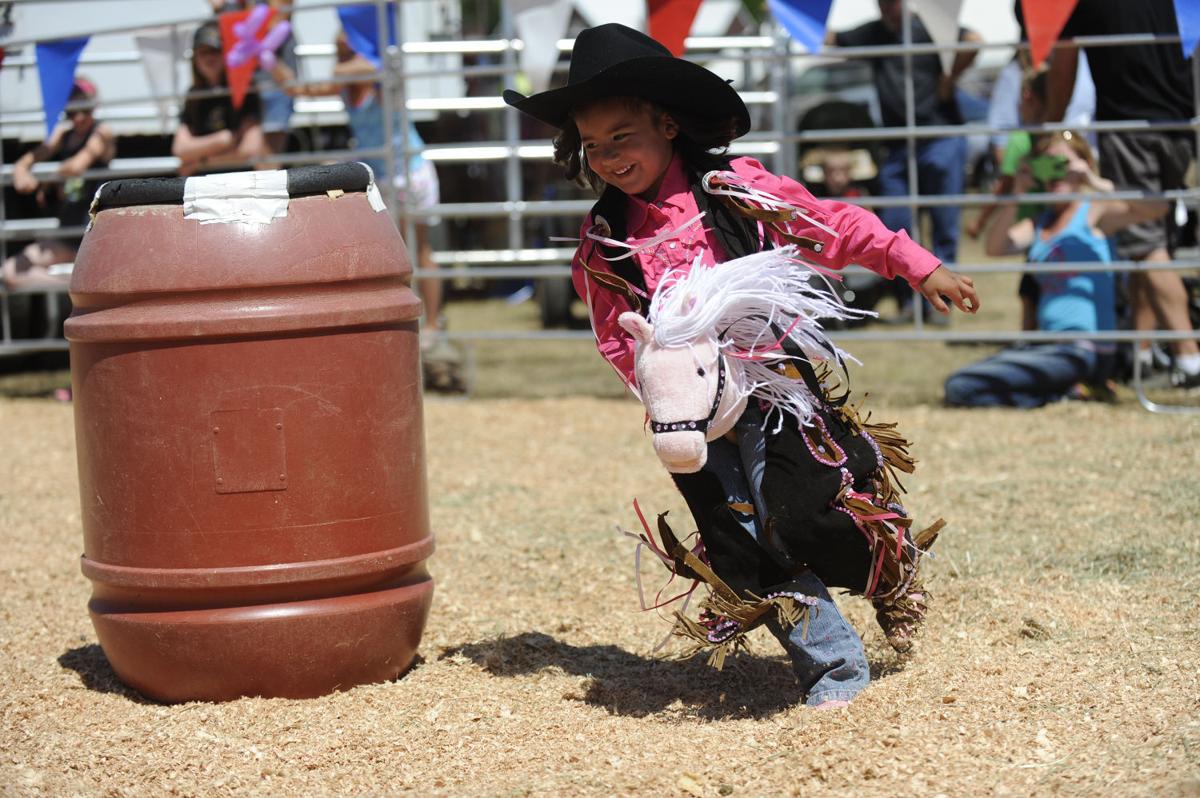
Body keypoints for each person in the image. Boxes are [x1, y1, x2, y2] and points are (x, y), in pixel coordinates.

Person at [504, 24, 979, 708]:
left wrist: (914, 263)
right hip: (691, 416)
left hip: (770, 389)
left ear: (667, 123)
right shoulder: (605, 240)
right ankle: (833, 670)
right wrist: (662, 391)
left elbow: (830, 226)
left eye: (623, 135)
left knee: (804, 515)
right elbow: (615, 333)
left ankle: (888, 563)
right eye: (594, 144)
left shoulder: (733, 192)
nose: (608, 157)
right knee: (741, 540)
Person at [270, 32, 462, 392]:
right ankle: (409, 322)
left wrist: (344, 62)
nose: (340, 56)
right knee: (393, 256)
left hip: (408, 168)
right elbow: (295, 89)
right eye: (339, 48)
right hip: (382, 174)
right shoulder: (348, 83)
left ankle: (433, 326)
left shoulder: (376, 76)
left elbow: (365, 66)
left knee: (417, 252)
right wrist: (267, 58)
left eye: (347, 47)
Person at [945, 132, 1167, 407]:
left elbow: (1157, 208)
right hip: (1047, 347)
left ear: (1083, 164)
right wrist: (1018, 193)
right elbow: (996, 246)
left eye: (1062, 165)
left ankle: (1069, 389)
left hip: (1083, 350)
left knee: (961, 387)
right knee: (963, 383)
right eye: (1046, 167)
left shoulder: (1094, 212)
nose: (1055, 175)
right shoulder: (1041, 223)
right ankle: (1066, 392)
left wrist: (1094, 181)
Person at [1046, 0, 1200, 389]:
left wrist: (1050, 122)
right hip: (1179, 124)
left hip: (1129, 125)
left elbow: (1063, 63)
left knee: (1147, 247)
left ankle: (1190, 358)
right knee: (1148, 240)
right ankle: (1141, 354)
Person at [828, 0, 982, 323]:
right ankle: (909, 301)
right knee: (897, 220)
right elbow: (830, 39)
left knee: (943, 221)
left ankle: (944, 303)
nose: (886, 7)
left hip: (940, 134)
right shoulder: (873, 32)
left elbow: (974, 41)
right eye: (881, 2)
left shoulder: (927, 25)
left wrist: (949, 77)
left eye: (891, 1)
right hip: (898, 143)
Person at [4, 77, 113, 336]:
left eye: (84, 110)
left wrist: (46, 179)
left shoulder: (102, 132)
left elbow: (77, 165)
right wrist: (22, 171)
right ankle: (76, 286)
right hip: (67, 234)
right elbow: (30, 158)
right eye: (72, 111)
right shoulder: (63, 134)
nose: (78, 118)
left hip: (95, 235)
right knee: (10, 273)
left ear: (94, 107)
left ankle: (84, 289)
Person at [172, 21, 268, 177]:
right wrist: (223, 140)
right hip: (202, 182)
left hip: (240, 178)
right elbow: (180, 149)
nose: (209, 57)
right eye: (203, 52)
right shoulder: (193, 94)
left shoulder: (244, 89)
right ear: (195, 58)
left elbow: (250, 149)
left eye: (215, 51)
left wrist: (200, 161)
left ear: (226, 54)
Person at [209, 0, 296, 158]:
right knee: (250, 151)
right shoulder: (232, 6)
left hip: (274, 82)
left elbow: (277, 20)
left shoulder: (268, 5)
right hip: (245, 85)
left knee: (269, 155)